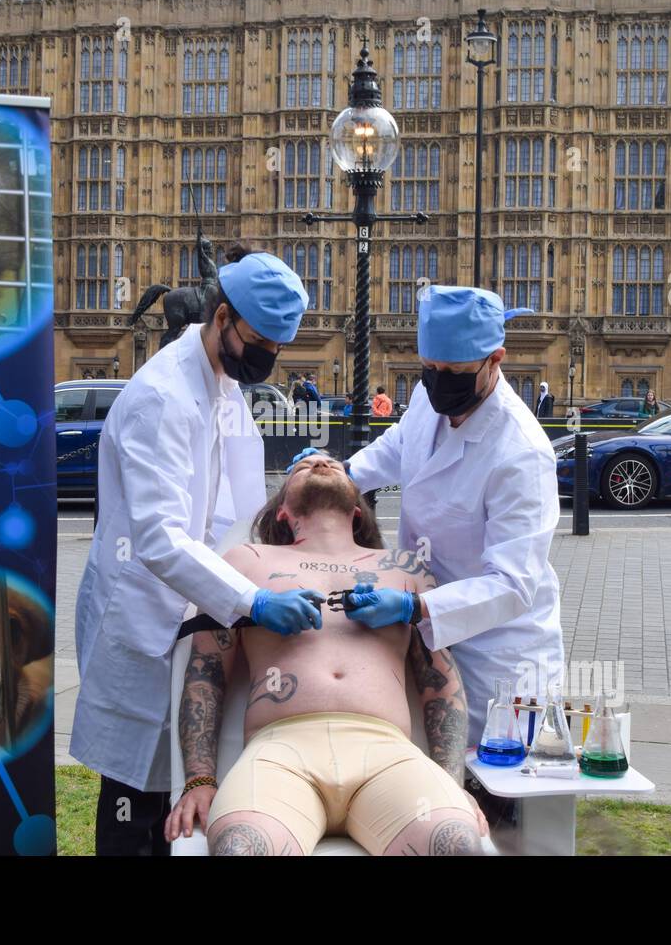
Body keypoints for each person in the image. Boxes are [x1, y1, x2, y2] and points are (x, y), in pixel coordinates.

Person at [73, 251, 322, 856]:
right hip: (142, 617)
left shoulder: (222, 384)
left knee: (185, 795)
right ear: (221, 316)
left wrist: (285, 519)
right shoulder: (162, 396)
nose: (265, 357)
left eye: (277, 347)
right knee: (135, 796)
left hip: (193, 613)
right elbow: (159, 537)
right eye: (259, 341)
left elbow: (230, 502)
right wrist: (252, 599)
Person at [165, 455, 487, 855]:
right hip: (279, 754)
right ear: (282, 511)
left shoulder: (405, 568)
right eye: (303, 466)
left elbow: (441, 687)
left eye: (333, 462)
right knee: (239, 847)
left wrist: (449, 785)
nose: (319, 461)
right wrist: (199, 780)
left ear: (357, 509)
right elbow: (205, 674)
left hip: (388, 755)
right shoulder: (245, 562)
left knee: (456, 843)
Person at [337, 285, 565, 827]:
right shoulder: (430, 396)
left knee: (494, 814)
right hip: (429, 638)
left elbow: (512, 585)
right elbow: (401, 445)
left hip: (498, 660)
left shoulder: (521, 453)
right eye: (429, 367)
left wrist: (416, 609)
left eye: (454, 371)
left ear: (495, 361)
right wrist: (345, 475)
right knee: (428, 804)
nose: (439, 380)